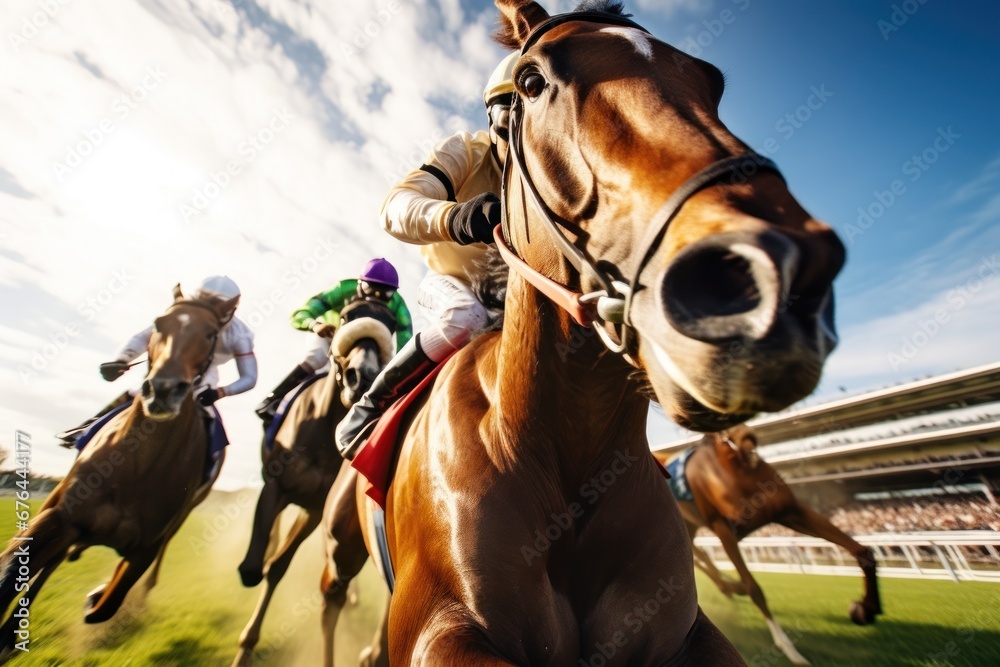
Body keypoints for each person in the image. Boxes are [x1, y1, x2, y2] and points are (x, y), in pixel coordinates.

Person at [335, 53, 517, 459]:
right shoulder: (466, 150)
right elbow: (394, 208)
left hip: (513, 297)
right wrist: (454, 217)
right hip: (450, 284)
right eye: (510, 125)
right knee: (465, 317)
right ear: (492, 120)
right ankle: (369, 405)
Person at [56, 275, 258, 447]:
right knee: (138, 390)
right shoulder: (183, 315)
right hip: (172, 362)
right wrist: (122, 359)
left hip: (205, 373)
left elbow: (249, 377)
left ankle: (210, 462)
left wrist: (220, 392)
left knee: (203, 407)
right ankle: (88, 428)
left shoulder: (240, 335)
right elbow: (146, 337)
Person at [253, 258, 413, 422]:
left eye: (386, 293)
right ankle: (272, 399)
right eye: (368, 288)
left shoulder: (399, 307)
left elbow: (405, 347)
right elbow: (299, 314)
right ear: (359, 283)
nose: (376, 295)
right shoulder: (343, 289)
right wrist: (314, 325)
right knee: (316, 356)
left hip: (370, 347)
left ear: (394, 291)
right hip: (330, 335)